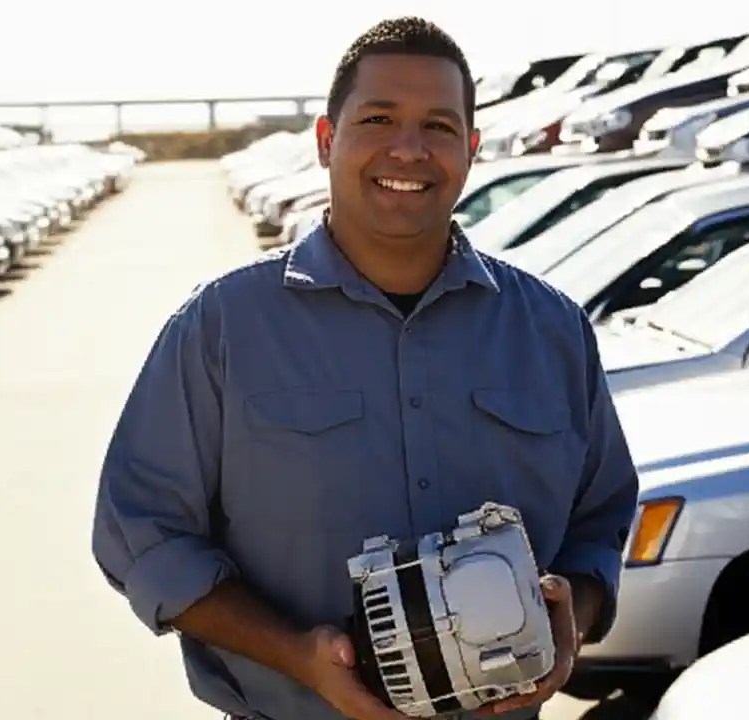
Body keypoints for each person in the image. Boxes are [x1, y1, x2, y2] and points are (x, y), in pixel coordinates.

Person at [91, 15, 639, 720]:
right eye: (379, 118)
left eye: (439, 127)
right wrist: (301, 658)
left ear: (471, 150)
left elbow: (599, 522)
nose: (408, 150)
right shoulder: (222, 327)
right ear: (327, 141)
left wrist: (572, 617)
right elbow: (142, 535)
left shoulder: (553, 330)